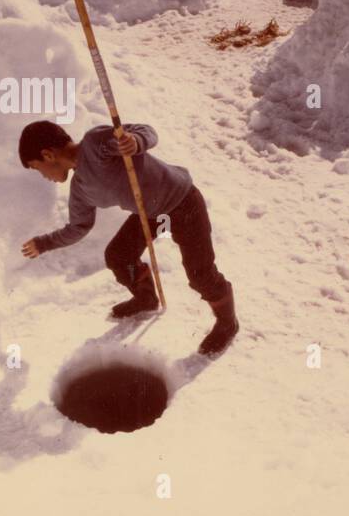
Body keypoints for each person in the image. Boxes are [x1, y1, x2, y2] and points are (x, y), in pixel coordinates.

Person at [18, 119, 238, 355]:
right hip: (151, 214)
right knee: (118, 256)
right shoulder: (81, 189)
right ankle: (146, 298)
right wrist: (45, 243)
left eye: (37, 168)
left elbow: (147, 131)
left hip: (184, 202)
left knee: (200, 275)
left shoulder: (94, 144)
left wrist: (135, 142)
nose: (43, 176)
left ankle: (227, 323)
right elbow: (78, 227)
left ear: (48, 155)